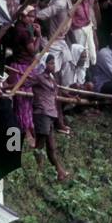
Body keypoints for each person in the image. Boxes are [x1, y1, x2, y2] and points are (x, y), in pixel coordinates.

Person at [31, 53, 69, 181]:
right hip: (41, 113)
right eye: (51, 63)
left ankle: (59, 171)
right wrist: (8, 87)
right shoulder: (38, 77)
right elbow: (24, 83)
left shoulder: (51, 79)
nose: (53, 65)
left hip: (51, 114)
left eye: (54, 63)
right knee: (40, 144)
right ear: (44, 64)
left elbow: (58, 93)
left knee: (51, 146)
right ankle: (39, 171)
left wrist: (73, 98)